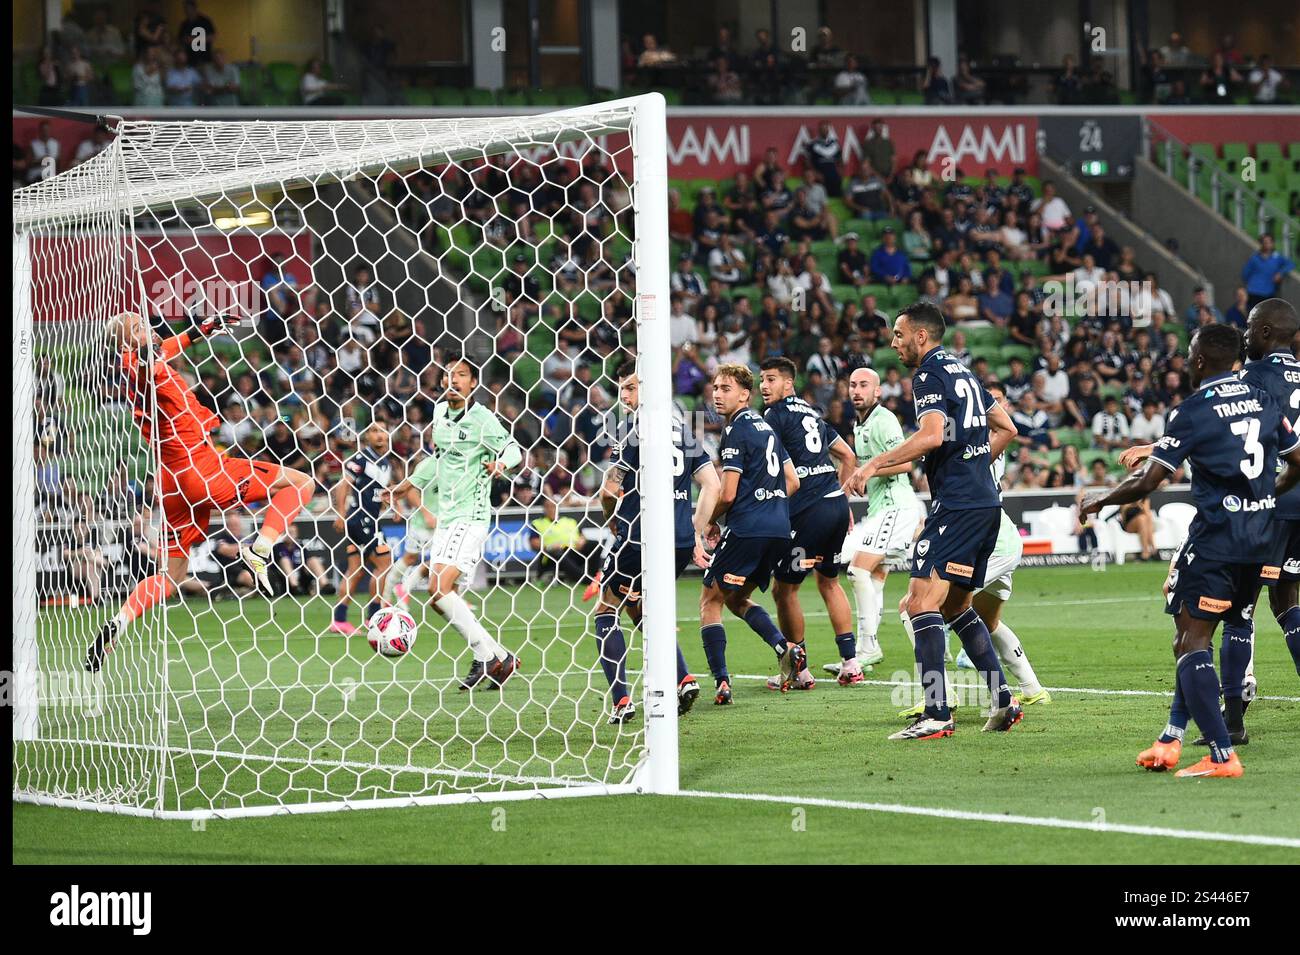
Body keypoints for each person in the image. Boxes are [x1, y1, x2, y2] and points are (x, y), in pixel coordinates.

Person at [1081, 322, 1300, 778]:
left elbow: (1148, 481)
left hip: (1217, 539)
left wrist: (1099, 499)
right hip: (1261, 537)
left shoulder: (1192, 410)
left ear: (1199, 362)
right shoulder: (1265, 401)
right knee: (1230, 623)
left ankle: (1222, 754)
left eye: (1190, 353)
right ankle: (1172, 735)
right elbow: (1298, 460)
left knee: (1190, 638)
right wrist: (1266, 498)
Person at [85, 312, 316, 675]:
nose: (149, 329)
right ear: (129, 343)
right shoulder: (147, 365)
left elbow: (164, 348)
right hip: (203, 470)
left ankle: (120, 621)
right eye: (139, 328)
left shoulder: (133, 363)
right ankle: (261, 548)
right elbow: (153, 362)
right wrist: (156, 349)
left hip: (172, 484)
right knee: (302, 483)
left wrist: (200, 330)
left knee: (171, 576)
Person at [848, 302, 1021, 740]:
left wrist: (872, 466)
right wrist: (976, 467)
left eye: (899, 335)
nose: (894, 343)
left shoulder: (928, 374)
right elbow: (1006, 427)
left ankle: (937, 713)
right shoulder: (964, 372)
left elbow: (931, 435)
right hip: (984, 503)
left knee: (918, 603)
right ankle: (1002, 700)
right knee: (956, 606)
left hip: (958, 505)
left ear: (921, 337)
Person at [590, 361, 721, 722]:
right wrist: (695, 529)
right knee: (643, 607)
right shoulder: (684, 431)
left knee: (605, 610)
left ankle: (621, 701)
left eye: (632, 387)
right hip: (677, 542)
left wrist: (611, 518)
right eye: (622, 389)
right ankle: (683, 679)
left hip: (638, 537)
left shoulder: (634, 431)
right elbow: (712, 484)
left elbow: (609, 489)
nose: (625, 396)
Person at [910, 383, 1051, 709]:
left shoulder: (976, 445)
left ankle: (937, 694)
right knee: (984, 620)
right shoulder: (977, 443)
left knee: (926, 605)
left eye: (998, 401)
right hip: (1000, 536)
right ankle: (1031, 689)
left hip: (987, 540)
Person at [405, 357, 522, 689]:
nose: (453, 379)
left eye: (461, 375)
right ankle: (498, 655)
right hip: (447, 517)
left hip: (471, 515)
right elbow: (439, 458)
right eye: (449, 374)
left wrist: (501, 464)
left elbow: (514, 448)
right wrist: (410, 482)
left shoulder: (483, 419)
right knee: (443, 597)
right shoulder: (439, 414)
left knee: (437, 589)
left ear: (473, 384)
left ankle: (486, 657)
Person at [698, 364, 804, 705]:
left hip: (748, 529)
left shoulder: (736, 431)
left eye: (726, 388)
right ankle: (784, 647)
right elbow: (793, 481)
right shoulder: (768, 428)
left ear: (745, 394)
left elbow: (727, 494)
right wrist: (767, 502)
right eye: (715, 387)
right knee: (735, 598)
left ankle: (722, 684)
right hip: (777, 530)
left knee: (709, 602)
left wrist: (706, 522)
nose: (717, 394)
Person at [758, 358, 858, 689]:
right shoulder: (812, 413)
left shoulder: (773, 415)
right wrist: (842, 496)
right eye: (761, 380)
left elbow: (773, 468)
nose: (763, 386)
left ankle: (798, 671)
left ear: (788, 384)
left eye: (770, 379)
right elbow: (848, 456)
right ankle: (851, 663)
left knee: (783, 589)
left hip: (808, 513)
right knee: (829, 582)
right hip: (835, 508)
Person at [827, 367, 927, 681]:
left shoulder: (883, 421)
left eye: (863, 385)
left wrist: (866, 471)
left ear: (878, 391)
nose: (856, 390)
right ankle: (862, 650)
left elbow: (907, 462)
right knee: (876, 577)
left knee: (857, 569)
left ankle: (868, 647)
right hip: (883, 508)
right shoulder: (862, 423)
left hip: (896, 507)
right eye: (852, 385)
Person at [329, 422, 395, 636]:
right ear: (367, 436)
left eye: (383, 431)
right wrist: (340, 512)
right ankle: (373, 617)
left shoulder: (385, 463)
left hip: (369, 518)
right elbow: (343, 484)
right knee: (384, 564)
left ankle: (339, 620)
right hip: (362, 519)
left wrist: (390, 504)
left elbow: (376, 492)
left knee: (355, 571)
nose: (379, 435)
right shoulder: (361, 459)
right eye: (374, 430)